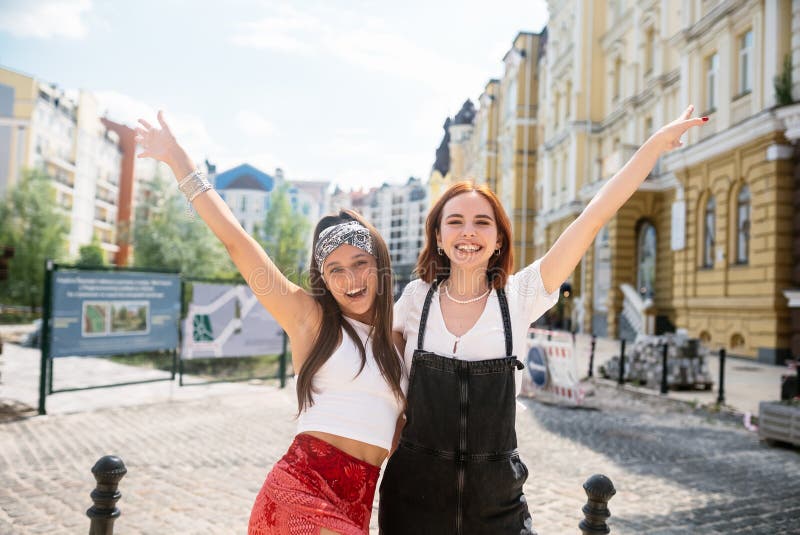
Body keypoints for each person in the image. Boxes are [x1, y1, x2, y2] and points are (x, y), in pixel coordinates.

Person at [379, 106, 707, 534]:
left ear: (498, 239)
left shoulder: (519, 296)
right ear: (438, 236)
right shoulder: (414, 300)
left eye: (482, 222)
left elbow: (593, 217)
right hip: (412, 505)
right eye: (454, 222)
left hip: (496, 508)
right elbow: (372, 377)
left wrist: (654, 146)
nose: (468, 233)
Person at [135, 112, 405, 535]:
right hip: (298, 493)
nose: (350, 279)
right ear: (323, 279)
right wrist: (179, 162)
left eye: (360, 264)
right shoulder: (311, 320)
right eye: (335, 270)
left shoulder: (399, 344)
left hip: (355, 510)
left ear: (380, 266)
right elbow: (237, 243)